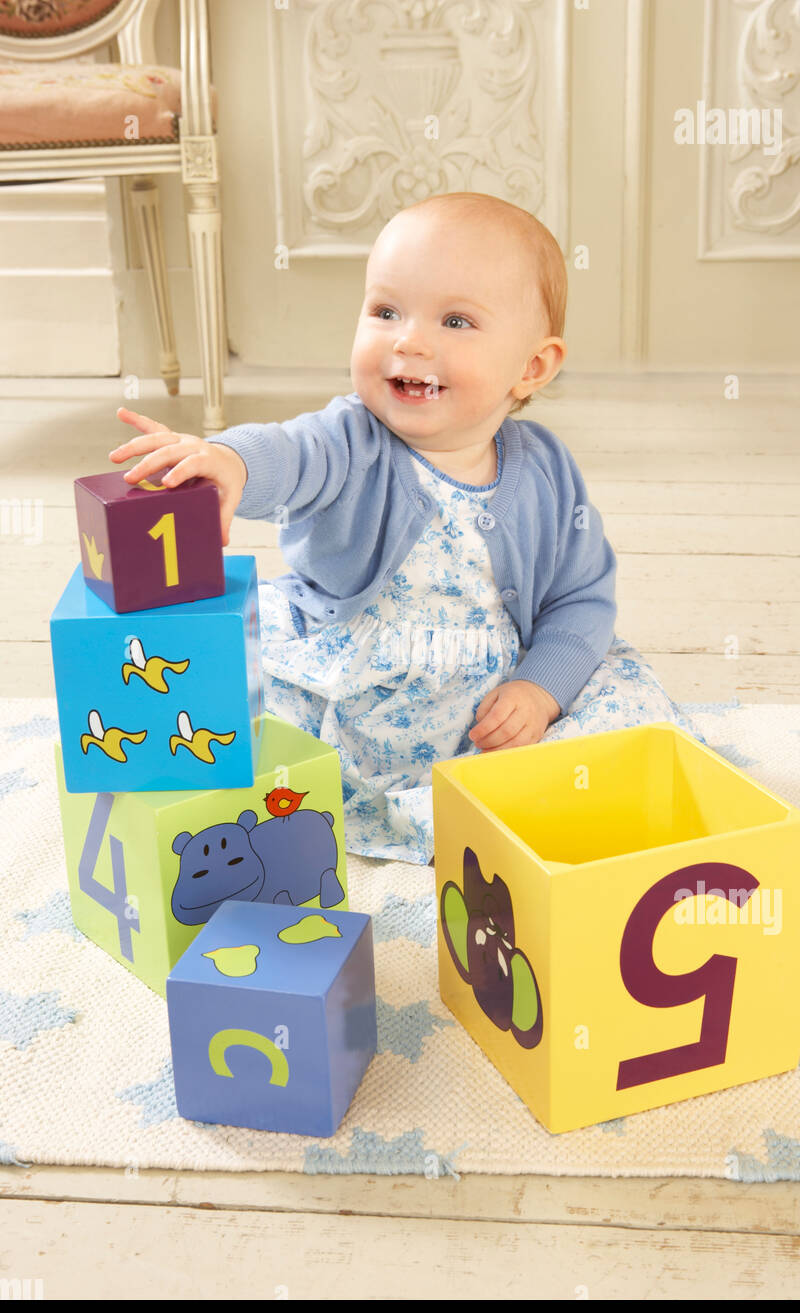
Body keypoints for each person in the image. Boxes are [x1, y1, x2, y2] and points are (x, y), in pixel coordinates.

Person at [110, 192, 702, 864]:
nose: (409, 339)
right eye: (385, 311)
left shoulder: (544, 470)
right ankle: (351, 802)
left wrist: (542, 689)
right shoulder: (350, 439)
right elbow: (289, 452)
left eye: (455, 320)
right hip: (357, 681)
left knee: (625, 702)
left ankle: (514, 797)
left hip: (490, 696)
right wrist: (230, 462)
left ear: (532, 366)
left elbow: (581, 597)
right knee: (233, 706)